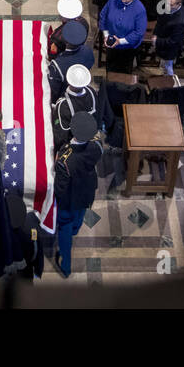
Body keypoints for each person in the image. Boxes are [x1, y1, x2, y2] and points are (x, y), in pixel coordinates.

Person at [53, 112, 104, 278]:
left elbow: (60, 189)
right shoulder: (97, 146)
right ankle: (75, 229)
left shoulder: (65, 158)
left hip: (69, 198)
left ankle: (65, 264)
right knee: (80, 213)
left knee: (65, 225)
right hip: (87, 190)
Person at [50, 64, 115, 151]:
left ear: (69, 81)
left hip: (75, 144)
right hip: (91, 135)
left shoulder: (63, 105)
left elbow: (61, 136)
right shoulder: (91, 91)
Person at [97, 0, 147, 72]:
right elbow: (103, 16)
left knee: (123, 73)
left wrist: (120, 41)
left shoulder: (140, 9)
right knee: (110, 69)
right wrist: (106, 35)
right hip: (111, 44)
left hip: (127, 48)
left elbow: (139, 32)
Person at [153, 0, 184, 76]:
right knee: (163, 66)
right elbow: (160, 20)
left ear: (179, 4)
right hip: (163, 40)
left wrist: (156, 41)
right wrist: (155, 33)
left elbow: (173, 41)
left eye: (171, 5)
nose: (168, 6)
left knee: (168, 69)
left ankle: (170, 85)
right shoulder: (170, 5)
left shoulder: (181, 20)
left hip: (170, 49)